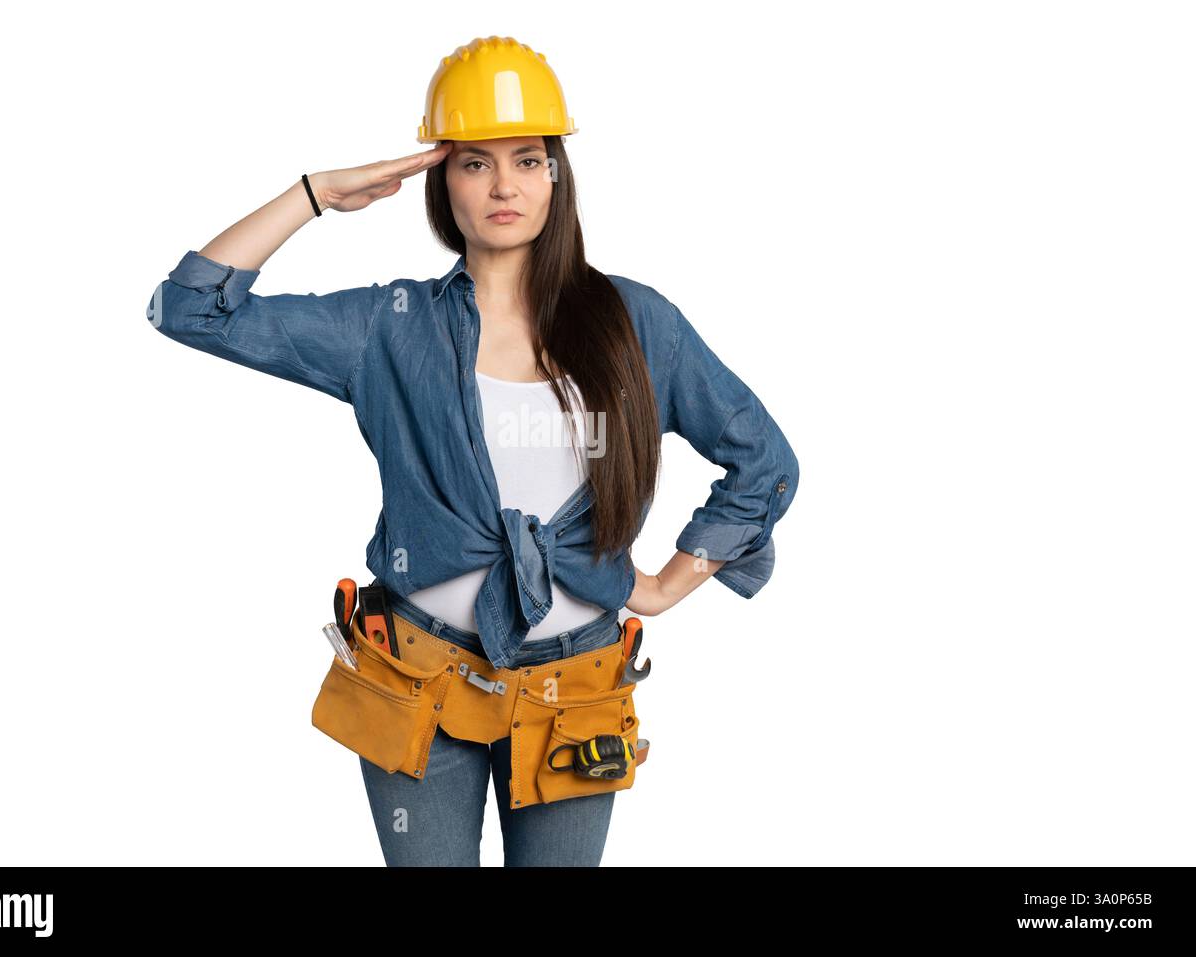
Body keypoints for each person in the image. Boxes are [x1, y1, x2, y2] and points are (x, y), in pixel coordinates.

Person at [146, 36, 799, 866]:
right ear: (438, 178)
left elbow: (764, 460)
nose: (503, 187)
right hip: (414, 677)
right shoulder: (389, 325)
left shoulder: (637, 325)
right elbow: (188, 309)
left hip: (578, 690)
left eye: (528, 160)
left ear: (556, 175)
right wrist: (313, 194)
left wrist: (675, 580)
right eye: (474, 163)